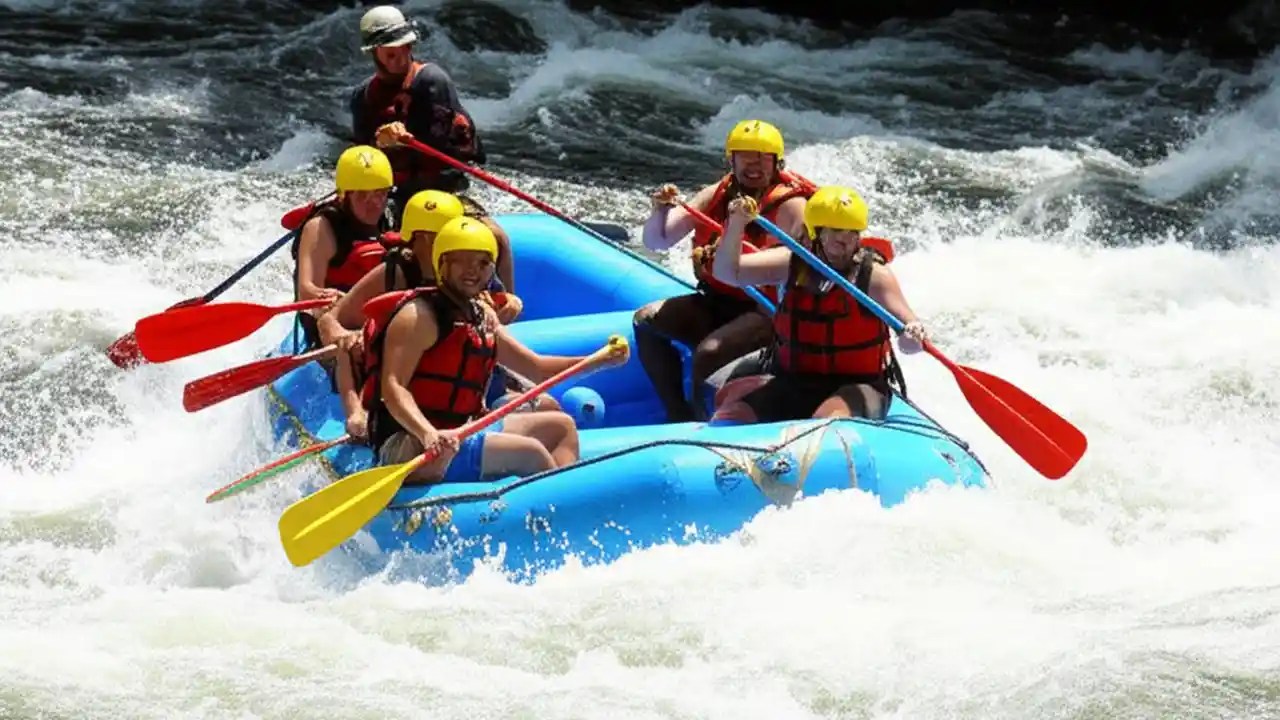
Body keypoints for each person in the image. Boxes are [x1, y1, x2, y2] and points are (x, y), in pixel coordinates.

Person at [360, 217, 628, 484]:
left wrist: (598, 360)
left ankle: (559, 500)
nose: (472, 270)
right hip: (410, 442)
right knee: (531, 454)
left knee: (562, 427)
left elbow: (535, 367)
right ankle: (555, 512)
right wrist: (428, 433)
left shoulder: (480, 316)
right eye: (461, 260)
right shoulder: (419, 316)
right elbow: (393, 388)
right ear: (442, 263)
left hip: (461, 430)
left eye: (482, 263)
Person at [316, 189, 546, 441]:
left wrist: (510, 305)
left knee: (546, 407)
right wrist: (343, 336)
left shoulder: (466, 277)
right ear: (423, 239)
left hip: (454, 367)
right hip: (400, 369)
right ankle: (356, 412)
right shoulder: (395, 273)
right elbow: (330, 320)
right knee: (349, 348)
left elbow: (488, 323)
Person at [633, 119, 811, 422]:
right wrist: (659, 210)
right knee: (646, 321)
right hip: (717, 300)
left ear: (777, 162)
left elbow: (801, 258)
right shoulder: (718, 193)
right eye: (745, 156)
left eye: (763, 157)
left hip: (765, 311)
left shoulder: (791, 205)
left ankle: (704, 426)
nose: (754, 165)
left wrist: (750, 261)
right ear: (731, 159)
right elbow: (658, 240)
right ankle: (678, 412)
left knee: (710, 352)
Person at [709, 185, 928, 423]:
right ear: (814, 233)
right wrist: (737, 223)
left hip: (858, 386)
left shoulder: (874, 276)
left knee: (827, 422)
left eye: (853, 232)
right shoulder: (791, 262)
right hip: (795, 381)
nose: (846, 242)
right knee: (731, 417)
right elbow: (727, 273)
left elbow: (910, 342)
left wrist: (912, 334)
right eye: (836, 232)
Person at [349, 5, 515, 293]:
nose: (399, 57)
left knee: (497, 237)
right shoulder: (362, 98)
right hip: (398, 198)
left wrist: (403, 140)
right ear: (374, 54)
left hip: (444, 193)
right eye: (390, 52)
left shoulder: (431, 81)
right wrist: (380, 145)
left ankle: (506, 303)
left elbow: (441, 148)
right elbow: (362, 157)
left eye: (404, 48)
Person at [292, 144, 395, 351]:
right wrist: (329, 297)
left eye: (379, 194)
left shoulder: (388, 220)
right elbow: (306, 291)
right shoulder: (322, 228)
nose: (373, 204)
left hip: (369, 315)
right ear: (344, 195)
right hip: (327, 318)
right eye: (362, 196)